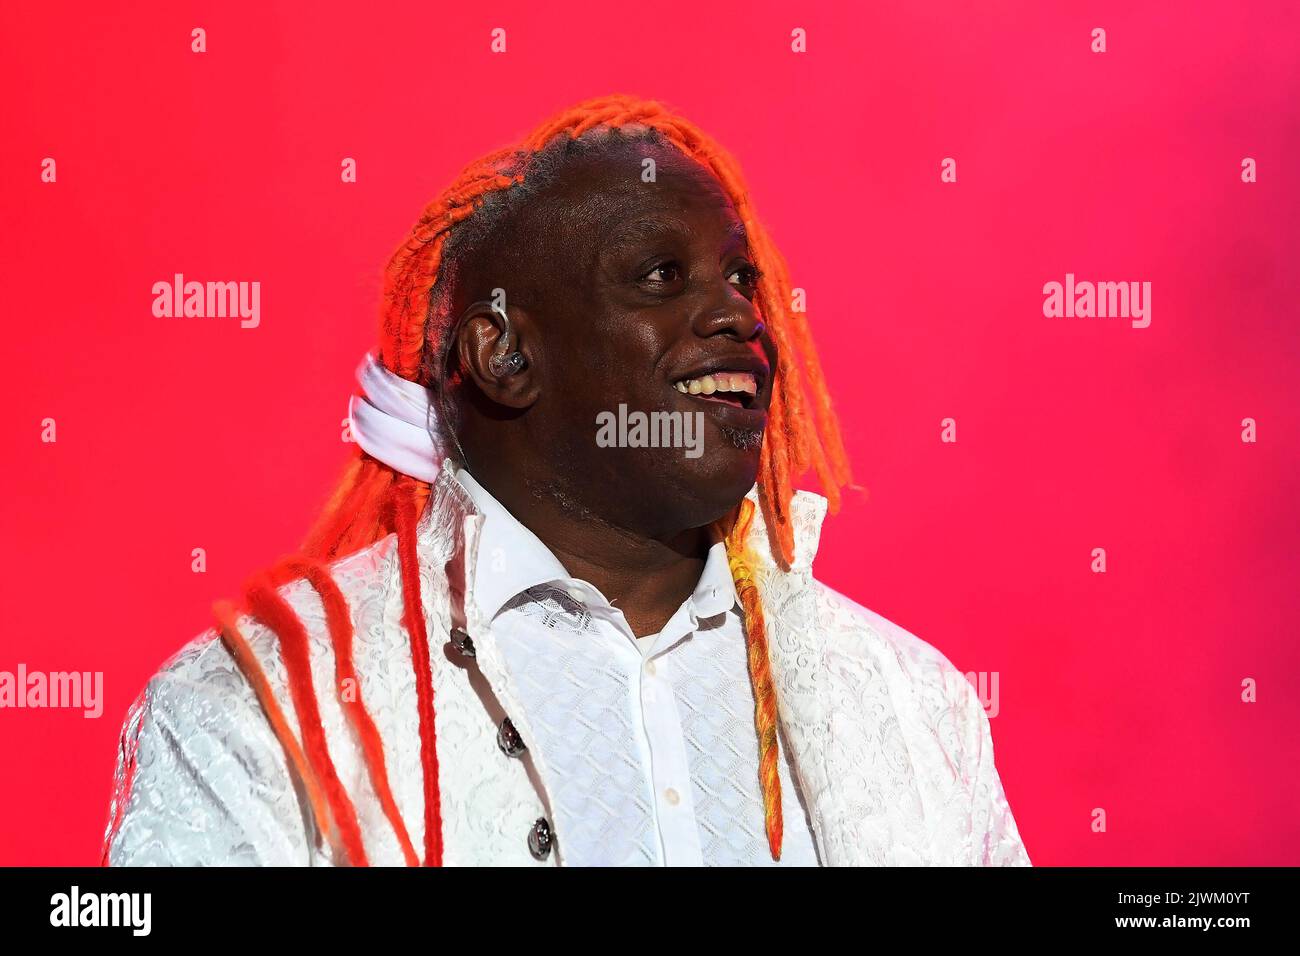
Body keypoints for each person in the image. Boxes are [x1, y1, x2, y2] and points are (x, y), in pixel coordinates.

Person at [102, 94, 1030, 867]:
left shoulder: (907, 701)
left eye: (743, 277)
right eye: (662, 277)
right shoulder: (267, 704)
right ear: (505, 353)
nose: (738, 313)